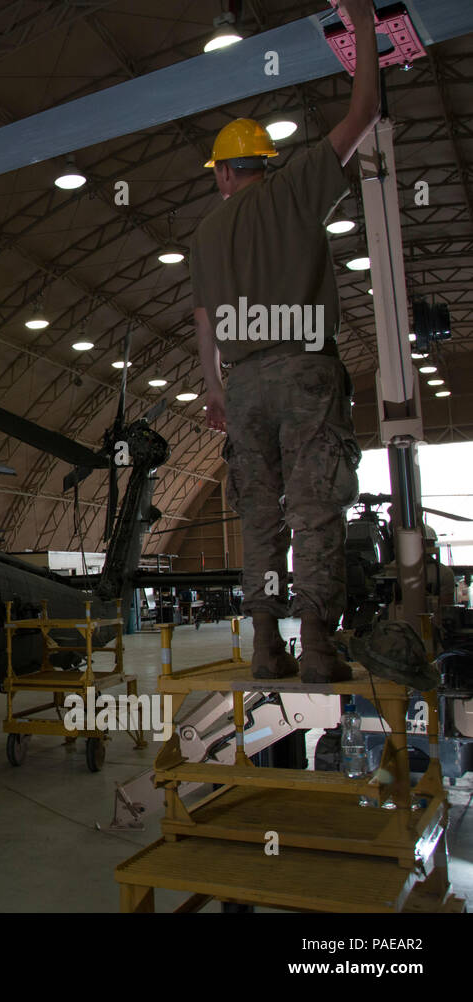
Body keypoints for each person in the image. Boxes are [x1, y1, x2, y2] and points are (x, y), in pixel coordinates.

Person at [190, 0, 380, 684]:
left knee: (263, 522)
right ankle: (321, 648)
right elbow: (360, 119)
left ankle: (268, 645)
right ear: (264, 164)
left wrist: (214, 390)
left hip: (242, 387)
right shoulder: (298, 184)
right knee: (314, 510)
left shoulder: (207, 232)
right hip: (303, 374)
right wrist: (361, 27)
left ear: (222, 172)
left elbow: (206, 319)